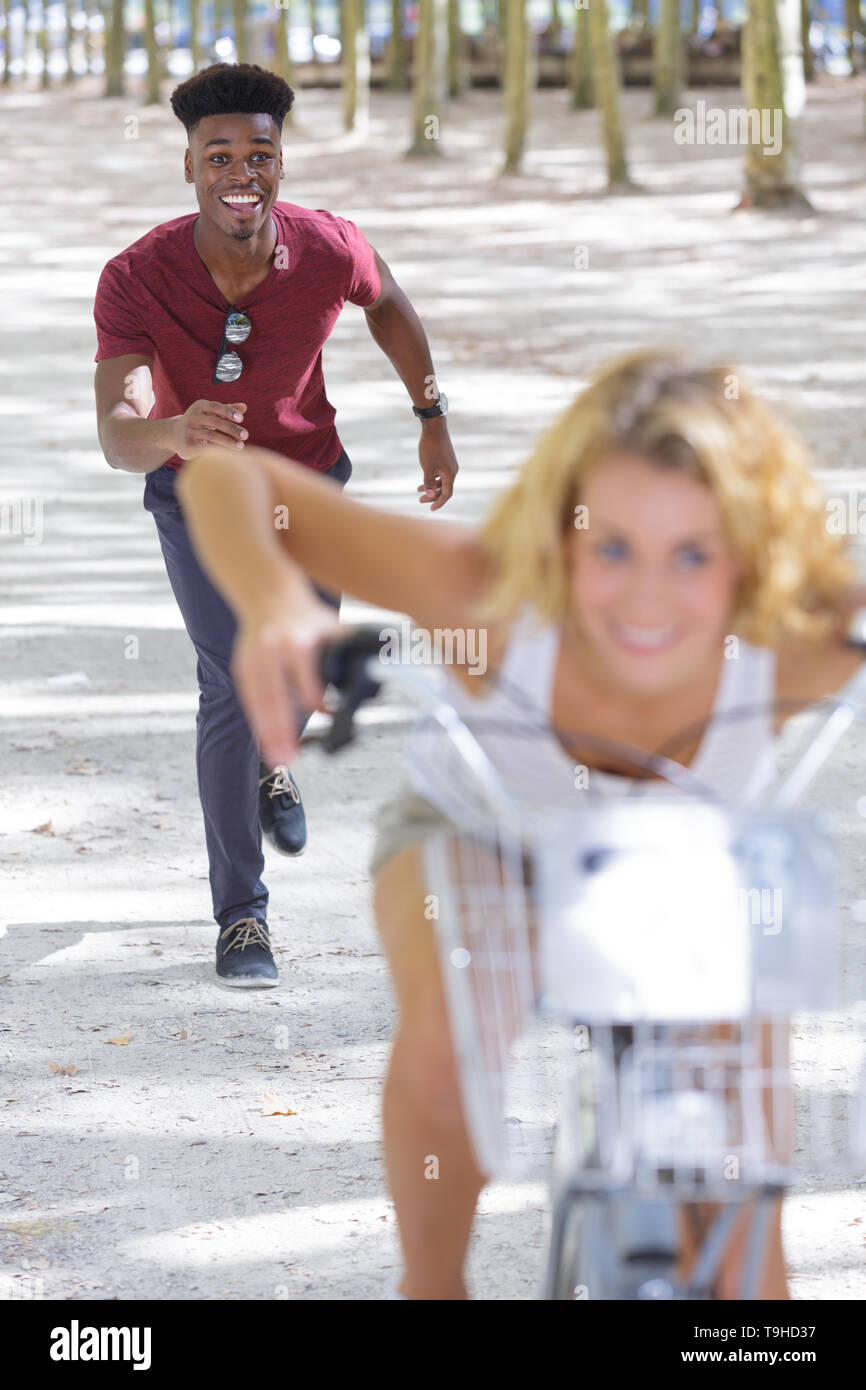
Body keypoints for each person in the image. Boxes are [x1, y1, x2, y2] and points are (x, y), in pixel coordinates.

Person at [174, 348, 865, 1298]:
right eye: (611, 548)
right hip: (481, 830)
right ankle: (434, 1285)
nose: (648, 598)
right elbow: (228, 478)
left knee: (743, 1182)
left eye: (694, 555)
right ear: (560, 537)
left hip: (686, 860)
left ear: (751, 557)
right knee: (459, 1016)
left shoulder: (798, 636)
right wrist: (273, 602)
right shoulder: (488, 596)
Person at [92, 62, 457, 987]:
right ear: (188, 168)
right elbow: (118, 434)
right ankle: (242, 919)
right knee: (228, 681)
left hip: (310, 493)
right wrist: (173, 429)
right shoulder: (136, 278)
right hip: (197, 499)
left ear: (281, 161)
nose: (240, 171)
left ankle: (274, 763)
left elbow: (394, 308)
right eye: (219, 154)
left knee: (298, 676)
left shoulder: (329, 249)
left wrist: (431, 418)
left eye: (260, 151)